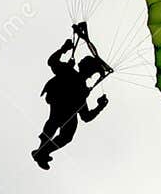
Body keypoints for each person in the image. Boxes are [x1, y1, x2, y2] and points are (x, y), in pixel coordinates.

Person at [33, 22, 109, 170]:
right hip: (59, 100)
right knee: (55, 124)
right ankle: (42, 151)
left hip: (65, 107)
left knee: (64, 132)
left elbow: (85, 116)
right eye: (92, 71)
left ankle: (42, 152)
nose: (91, 74)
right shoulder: (69, 72)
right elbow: (52, 62)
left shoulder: (81, 89)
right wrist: (63, 49)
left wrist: (100, 106)